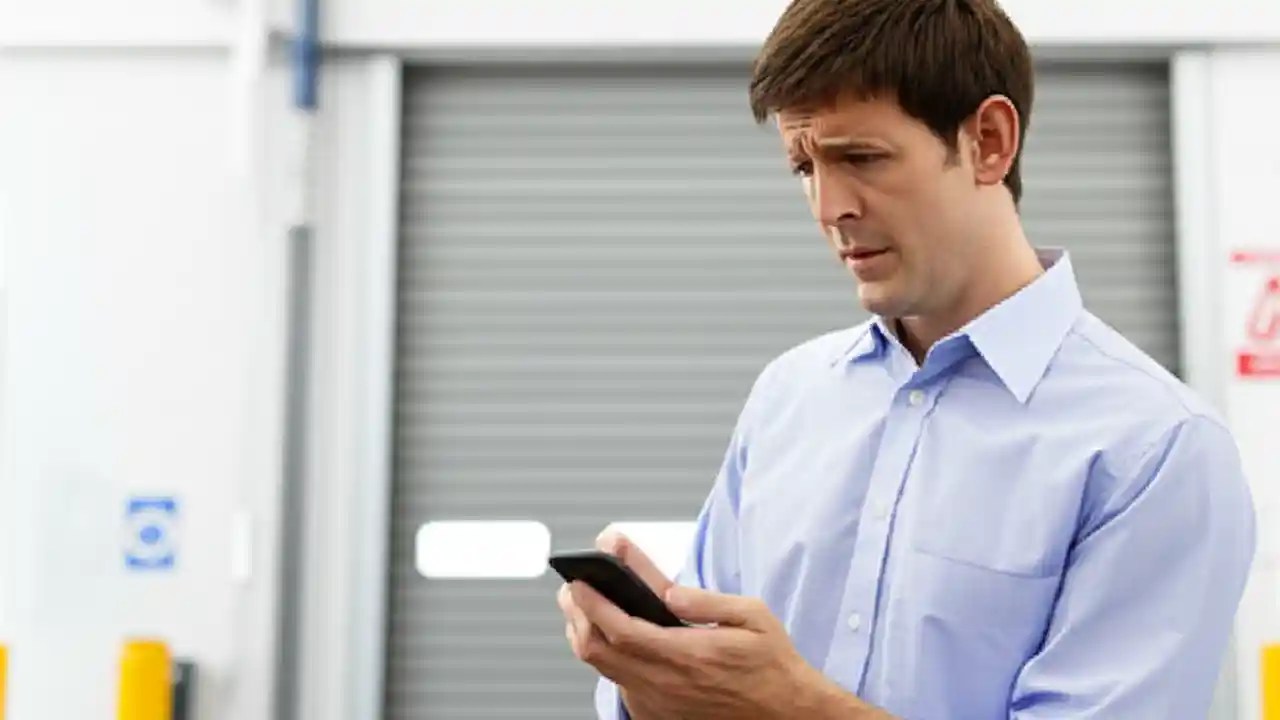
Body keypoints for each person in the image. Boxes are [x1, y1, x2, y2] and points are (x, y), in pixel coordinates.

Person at [555, 0, 1257, 717]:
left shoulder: (1155, 450)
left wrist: (795, 708)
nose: (829, 206)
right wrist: (647, 674)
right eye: (803, 165)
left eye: (860, 157)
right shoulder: (788, 399)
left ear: (989, 140)